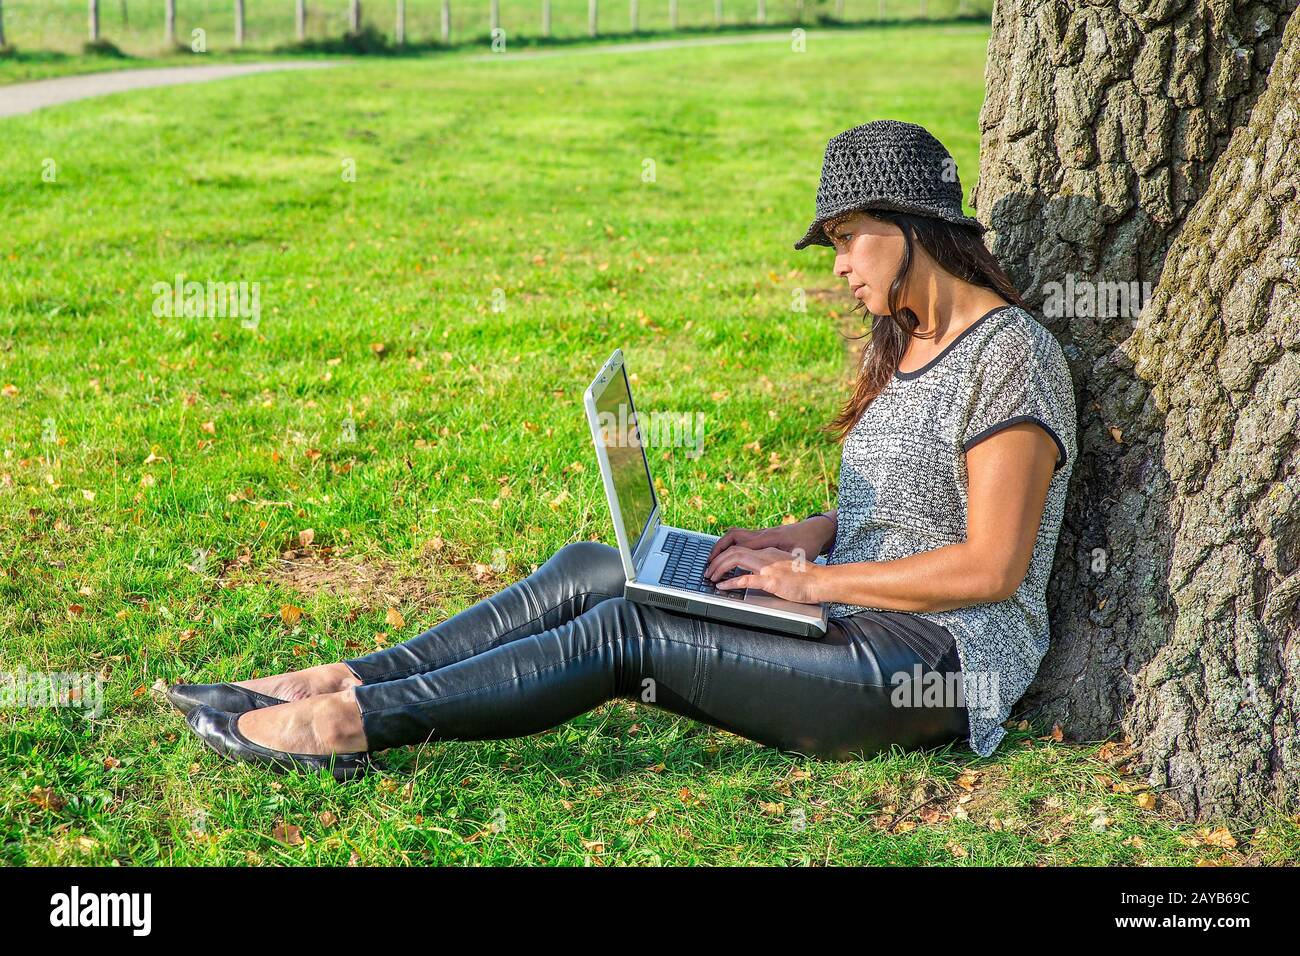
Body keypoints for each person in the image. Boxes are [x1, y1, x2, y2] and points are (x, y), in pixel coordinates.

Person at [172, 119, 1077, 781]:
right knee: (592, 568)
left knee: (627, 629)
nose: (838, 265)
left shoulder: (1013, 356)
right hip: (851, 611)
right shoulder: (907, 336)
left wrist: (818, 584)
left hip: (934, 665)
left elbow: (992, 564)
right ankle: (345, 677)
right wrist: (798, 537)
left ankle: (348, 726)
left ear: (911, 226)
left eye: (846, 239)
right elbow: (913, 506)